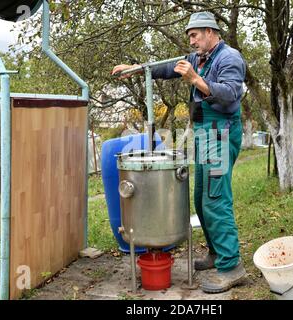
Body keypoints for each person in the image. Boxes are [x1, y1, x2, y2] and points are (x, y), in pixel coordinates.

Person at [112, 11, 247, 293]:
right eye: (190, 37)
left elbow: (231, 94)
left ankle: (232, 266)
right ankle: (216, 253)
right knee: (201, 198)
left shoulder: (229, 58)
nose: (192, 41)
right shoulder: (200, 57)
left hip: (220, 133)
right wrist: (138, 68)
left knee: (215, 198)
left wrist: (196, 79)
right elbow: (169, 67)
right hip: (204, 133)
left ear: (210, 32)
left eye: (195, 35)